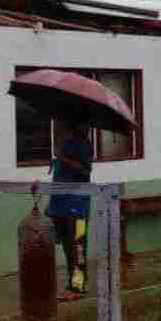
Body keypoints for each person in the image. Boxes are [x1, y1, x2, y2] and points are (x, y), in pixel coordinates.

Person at [47, 119, 94, 298]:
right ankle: (72, 285)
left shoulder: (84, 145)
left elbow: (85, 170)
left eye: (87, 125)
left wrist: (63, 159)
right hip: (60, 205)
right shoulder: (66, 144)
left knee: (78, 247)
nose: (87, 129)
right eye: (84, 125)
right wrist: (56, 162)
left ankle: (78, 286)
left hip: (78, 207)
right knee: (68, 247)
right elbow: (62, 172)